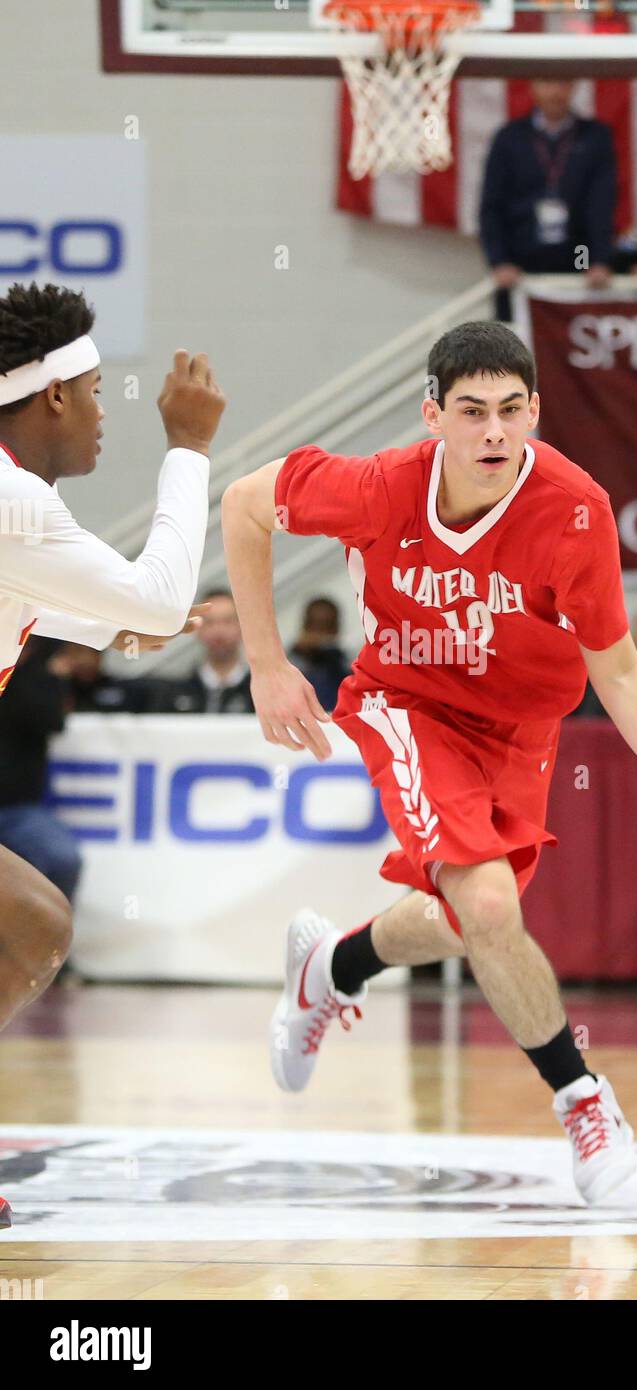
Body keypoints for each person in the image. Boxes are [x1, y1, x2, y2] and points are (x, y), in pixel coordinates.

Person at [222, 320, 637, 1205]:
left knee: (471, 926)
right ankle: (582, 1095)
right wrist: (267, 663)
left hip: (521, 730)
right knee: (489, 902)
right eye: (471, 412)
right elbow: (243, 505)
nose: (493, 433)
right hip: (405, 706)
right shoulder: (380, 487)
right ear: (433, 416)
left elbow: (619, 671)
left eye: (510, 411)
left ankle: (331, 968)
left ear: (535, 410)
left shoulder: (576, 510)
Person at [0, 280, 225, 1032]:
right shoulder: (17, 500)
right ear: (55, 396)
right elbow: (158, 598)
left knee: (32, 925)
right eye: (95, 392)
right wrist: (189, 449)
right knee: (35, 925)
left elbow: (29, 598)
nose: (103, 413)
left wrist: (112, 628)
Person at [480, 81, 616, 321]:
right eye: (547, 83)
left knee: (574, 337)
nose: (555, 91)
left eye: (562, 83)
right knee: (515, 345)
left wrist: (598, 260)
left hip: (577, 256)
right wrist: (499, 260)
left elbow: (601, 205)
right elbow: (492, 206)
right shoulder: (510, 137)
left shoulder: (595, 136)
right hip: (521, 260)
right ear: (532, 87)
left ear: (573, 86)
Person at [0, 637, 82, 905]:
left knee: (62, 858)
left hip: (17, 809)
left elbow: (53, 719)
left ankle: (51, 945)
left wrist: (38, 673)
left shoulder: (40, 669)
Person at [154, 588, 254, 714]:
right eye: (209, 622)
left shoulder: (259, 694)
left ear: (242, 626)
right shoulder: (175, 695)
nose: (218, 631)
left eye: (227, 621)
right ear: (197, 628)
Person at [287, 597, 352, 713]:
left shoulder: (342, 661)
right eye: (315, 625)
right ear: (306, 626)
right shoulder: (289, 661)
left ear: (336, 628)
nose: (321, 634)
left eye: (327, 626)